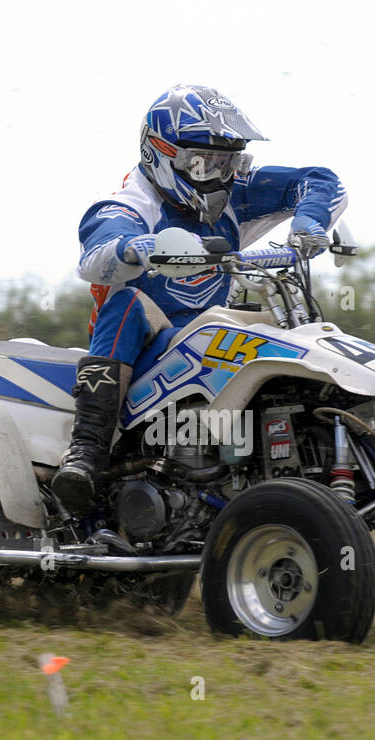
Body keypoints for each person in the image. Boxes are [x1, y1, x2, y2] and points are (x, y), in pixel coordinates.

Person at [51, 84, 348, 515]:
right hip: (152, 342)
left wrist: (309, 222)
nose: (218, 174)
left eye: (227, 161)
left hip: (214, 329)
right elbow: (95, 257)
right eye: (203, 161)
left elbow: (319, 179)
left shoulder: (234, 192)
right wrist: (141, 248)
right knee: (128, 303)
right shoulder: (130, 204)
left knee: (279, 314)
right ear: (162, 153)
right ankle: (86, 450)